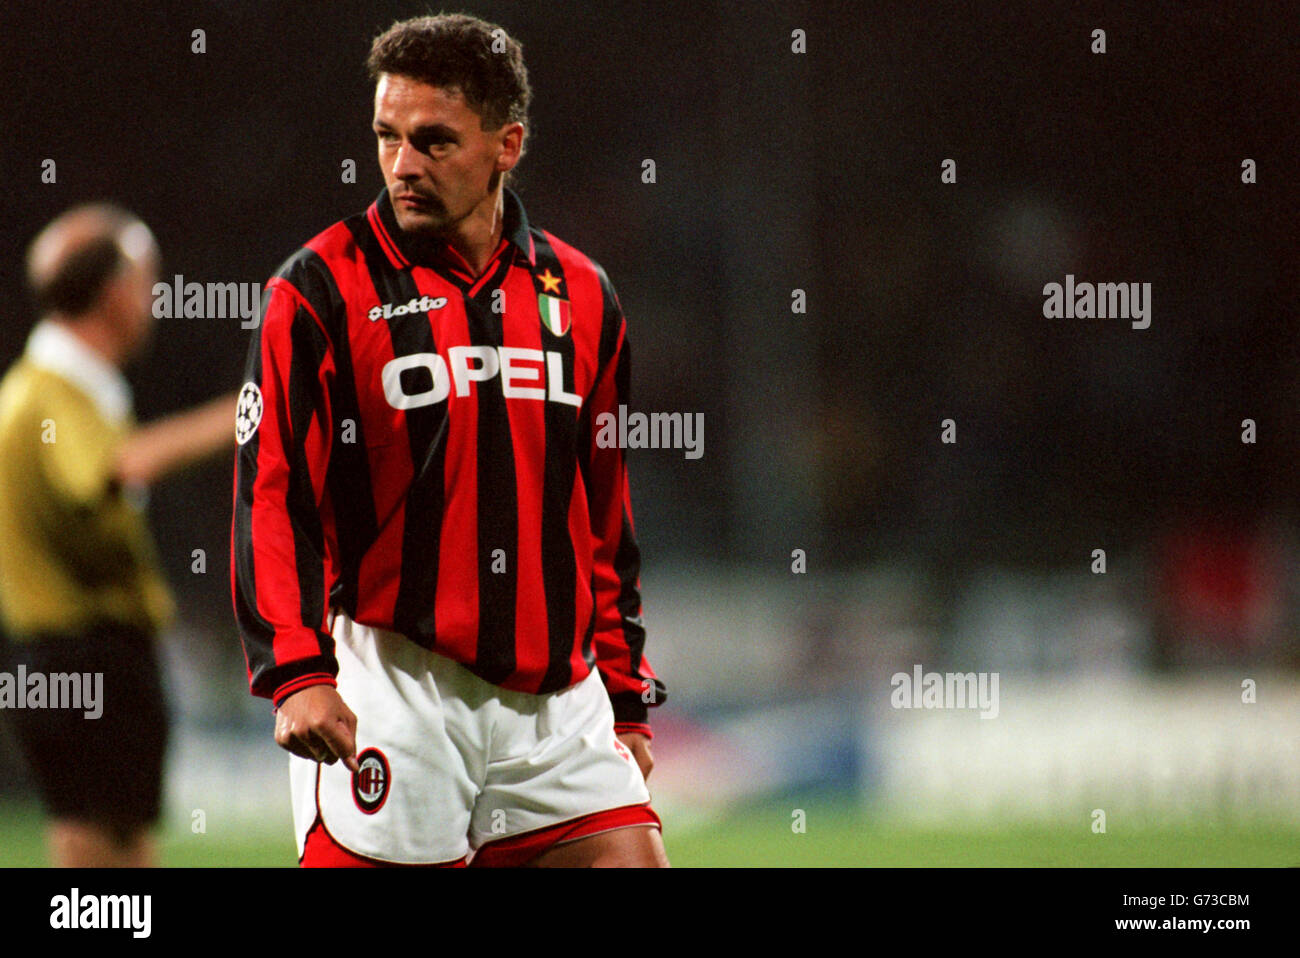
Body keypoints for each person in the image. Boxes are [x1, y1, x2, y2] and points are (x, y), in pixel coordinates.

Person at [232, 13, 668, 868]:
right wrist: (297, 671)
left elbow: (604, 515)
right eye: (387, 137)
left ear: (508, 144)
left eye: (433, 141)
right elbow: (272, 494)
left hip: (557, 701)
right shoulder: (317, 289)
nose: (402, 164)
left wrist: (626, 696)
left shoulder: (582, 294)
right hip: (398, 688)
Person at [0, 204, 236, 867]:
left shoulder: (72, 386)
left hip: (84, 660)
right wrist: (247, 410)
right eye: (148, 281)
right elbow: (115, 468)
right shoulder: (51, 391)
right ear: (115, 291)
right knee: (94, 864)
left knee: (123, 858)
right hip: (80, 659)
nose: (156, 300)